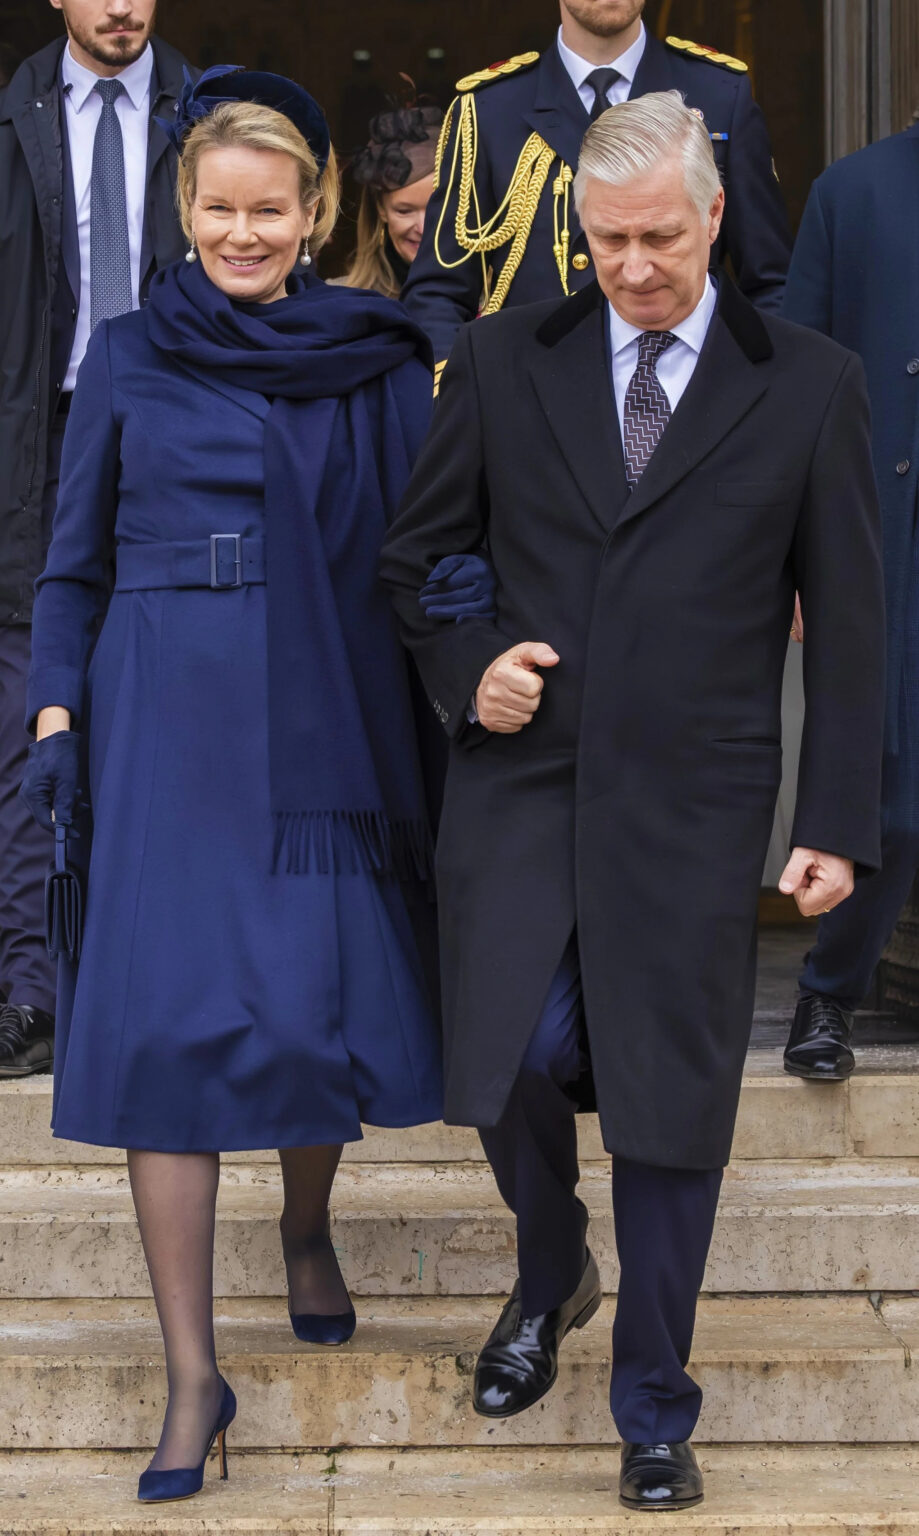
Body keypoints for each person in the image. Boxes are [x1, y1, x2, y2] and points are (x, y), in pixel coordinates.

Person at [381, 91, 885, 1511]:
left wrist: (832, 820)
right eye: (608, 243)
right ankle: (553, 1265)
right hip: (521, 784)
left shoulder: (807, 382)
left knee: (668, 1115)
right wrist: (468, 668)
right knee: (507, 1059)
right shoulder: (498, 358)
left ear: (713, 216)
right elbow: (411, 566)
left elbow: (849, 627)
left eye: (659, 236)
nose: (635, 267)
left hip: (692, 803)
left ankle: (654, 1406)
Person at [21, 66, 445, 1505]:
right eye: (219, 209)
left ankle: (306, 1223)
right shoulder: (127, 358)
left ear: (314, 213)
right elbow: (69, 558)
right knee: (163, 1030)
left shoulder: (373, 357)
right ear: (183, 209)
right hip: (157, 718)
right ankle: (194, 1374)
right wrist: (56, 712)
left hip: (312, 711)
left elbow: (417, 552)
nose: (243, 233)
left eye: (270, 210)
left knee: (301, 1003)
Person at [0, 0, 194, 1078]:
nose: (121, 6)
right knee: (35, 709)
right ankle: (34, 990)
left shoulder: (207, 107)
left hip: (171, 436)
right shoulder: (9, 119)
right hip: (41, 442)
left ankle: (154, 985)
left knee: (165, 706)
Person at [402, 0, 792, 375]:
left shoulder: (720, 94)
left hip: (685, 403)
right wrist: (471, 404)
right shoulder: (489, 109)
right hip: (531, 405)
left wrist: (749, 393)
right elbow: (439, 292)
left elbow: (771, 282)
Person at [781, 125, 919, 1080]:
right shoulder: (852, 189)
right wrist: (792, 554)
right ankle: (827, 992)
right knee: (892, 799)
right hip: (887, 536)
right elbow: (797, 388)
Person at [338, 102, 443, 298]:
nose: (423, 227)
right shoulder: (344, 300)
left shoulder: (495, 300)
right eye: (404, 211)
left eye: (436, 208)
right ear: (381, 208)